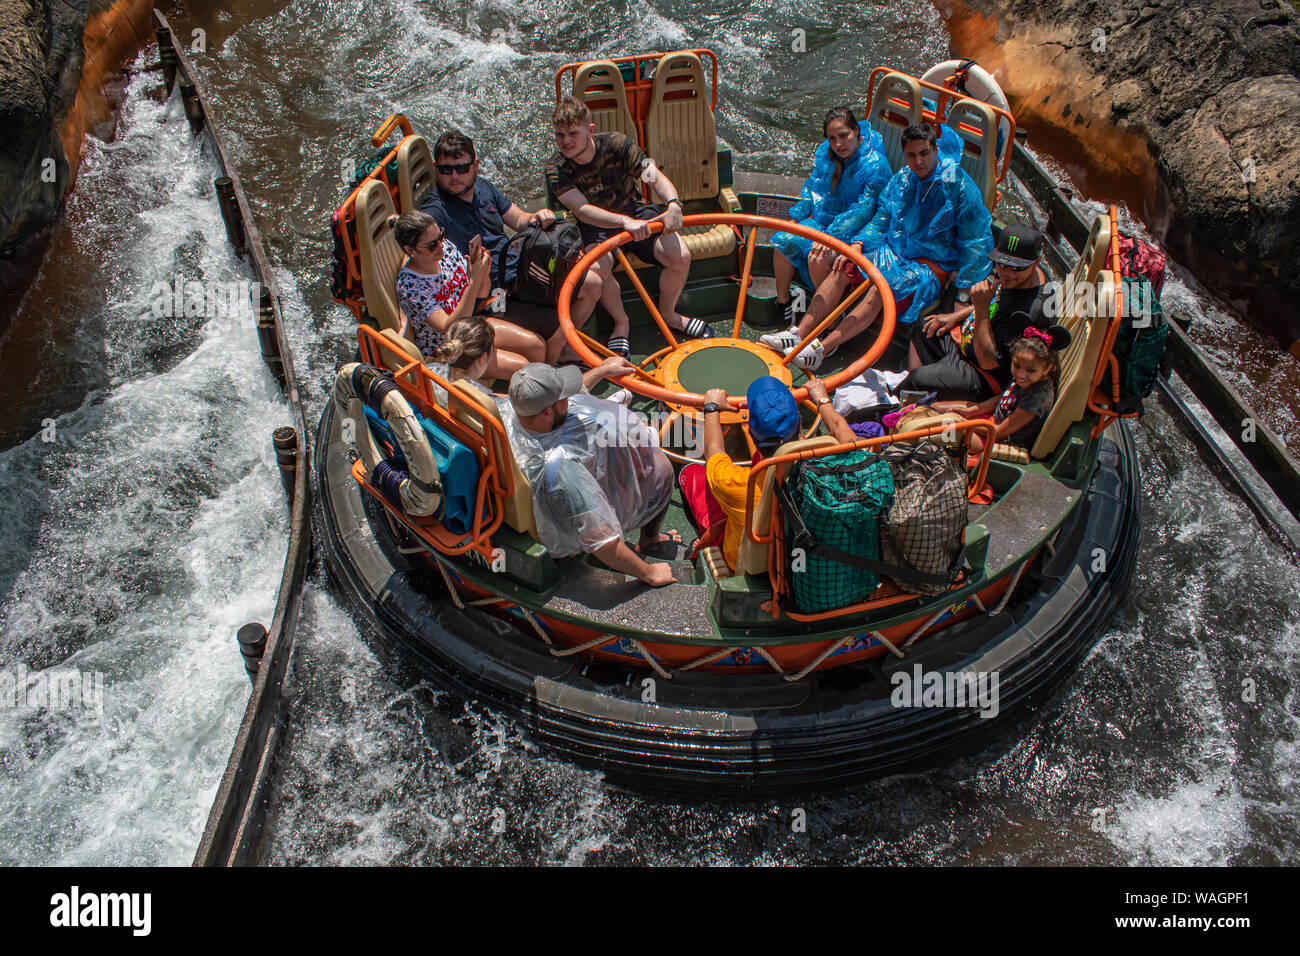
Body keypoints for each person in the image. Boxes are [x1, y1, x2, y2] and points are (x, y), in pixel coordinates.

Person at [776, 123, 994, 372]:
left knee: (882, 287)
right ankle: (799, 334)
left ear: (936, 149)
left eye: (924, 153)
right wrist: (859, 243)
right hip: (893, 252)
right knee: (843, 265)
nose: (918, 161)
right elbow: (882, 218)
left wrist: (964, 293)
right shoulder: (902, 178)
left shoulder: (958, 187)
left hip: (929, 267)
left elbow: (976, 242)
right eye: (911, 155)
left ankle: (822, 348)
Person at [546, 96, 709, 359]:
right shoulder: (556, 167)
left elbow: (653, 176)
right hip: (597, 226)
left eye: (572, 133)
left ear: (590, 130)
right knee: (599, 266)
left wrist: (674, 204)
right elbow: (581, 209)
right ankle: (622, 322)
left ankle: (668, 314)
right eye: (559, 134)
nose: (565, 141)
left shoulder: (617, 144)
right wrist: (623, 223)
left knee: (680, 256)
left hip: (637, 212)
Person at [420, 130, 602, 363]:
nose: (454, 176)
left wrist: (537, 217)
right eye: (446, 170)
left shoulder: (483, 187)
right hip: (491, 297)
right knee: (558, 322)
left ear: (475, 165)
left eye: (462, 168)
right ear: (436, 168)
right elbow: (416, 242)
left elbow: (518, 220)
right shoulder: (436, 213)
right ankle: (550, 366)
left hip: (518, 275)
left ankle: (560, 346)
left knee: (592, 282)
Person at [504, 358, 679, 587]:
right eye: (564, 399)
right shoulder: (564, 472)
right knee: (662, 472)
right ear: (547, 413)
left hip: (551, 487)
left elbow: (573, 394)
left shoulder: (512, 410)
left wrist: (603, 370)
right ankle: (649, 540)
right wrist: (649, 573)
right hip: (563, 521)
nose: (570, 399)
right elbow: (602, 541)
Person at [679, 376, 855, 572]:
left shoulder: (737, 484)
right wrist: (822, 399)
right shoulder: (833, 463)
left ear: (753, 436)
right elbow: (842, 432)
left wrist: (711, 407)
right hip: (805, 552)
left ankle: (703, 542)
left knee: (691, 473)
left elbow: (713, 449)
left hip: (747, 561)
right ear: (799, 426)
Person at [764, 106, 891, 329]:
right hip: (825, 221)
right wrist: (797, 217)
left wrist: (830, 237)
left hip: (856, 231)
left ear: (856, 132)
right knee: (782, 241)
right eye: (832, 138)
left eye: (844, 136)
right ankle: (783, 302)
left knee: (818, 257)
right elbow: (813, 187)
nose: (838, 144)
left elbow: (864, 210)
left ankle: (829, 320)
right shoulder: (828, 154)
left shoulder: (875, 165)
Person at [901, 222, 1052, 400]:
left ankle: (906, 401)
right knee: (925, 326)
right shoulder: (1021, 277)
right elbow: (993, 300)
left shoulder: (1029, 313)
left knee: (917, 380)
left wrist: (980, 309)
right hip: (971, 344)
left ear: (1036, 262)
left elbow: (988, 362)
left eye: (1017, 268)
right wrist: (954, 316)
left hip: (986, 376)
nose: (1007, 273)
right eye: (1002, 264)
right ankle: (919, 389)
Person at [393, 210, 545, 380]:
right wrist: (474, 280)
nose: (440, 246)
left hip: (472, 325)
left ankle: (544, 394)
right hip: (451, 346)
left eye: (440, 236)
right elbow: (450, 328)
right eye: (432, 245)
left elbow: (481, 292)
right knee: (521, 367)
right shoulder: (411, 288)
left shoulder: (446, 250)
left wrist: (482, 273)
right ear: (409, 249)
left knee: (537, 345)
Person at [937, 324, 1070, 453]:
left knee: (942, 429)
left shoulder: (1037, 398)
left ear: (1048, 368)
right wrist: (969, 411)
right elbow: (1003, 397)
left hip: (998, 441)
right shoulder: (1027, 378)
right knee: (936, 407)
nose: (1021, 374)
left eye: (1031, 370)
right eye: (1017, 366)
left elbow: (999, 432)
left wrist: (963, 421)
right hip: (991, 421)